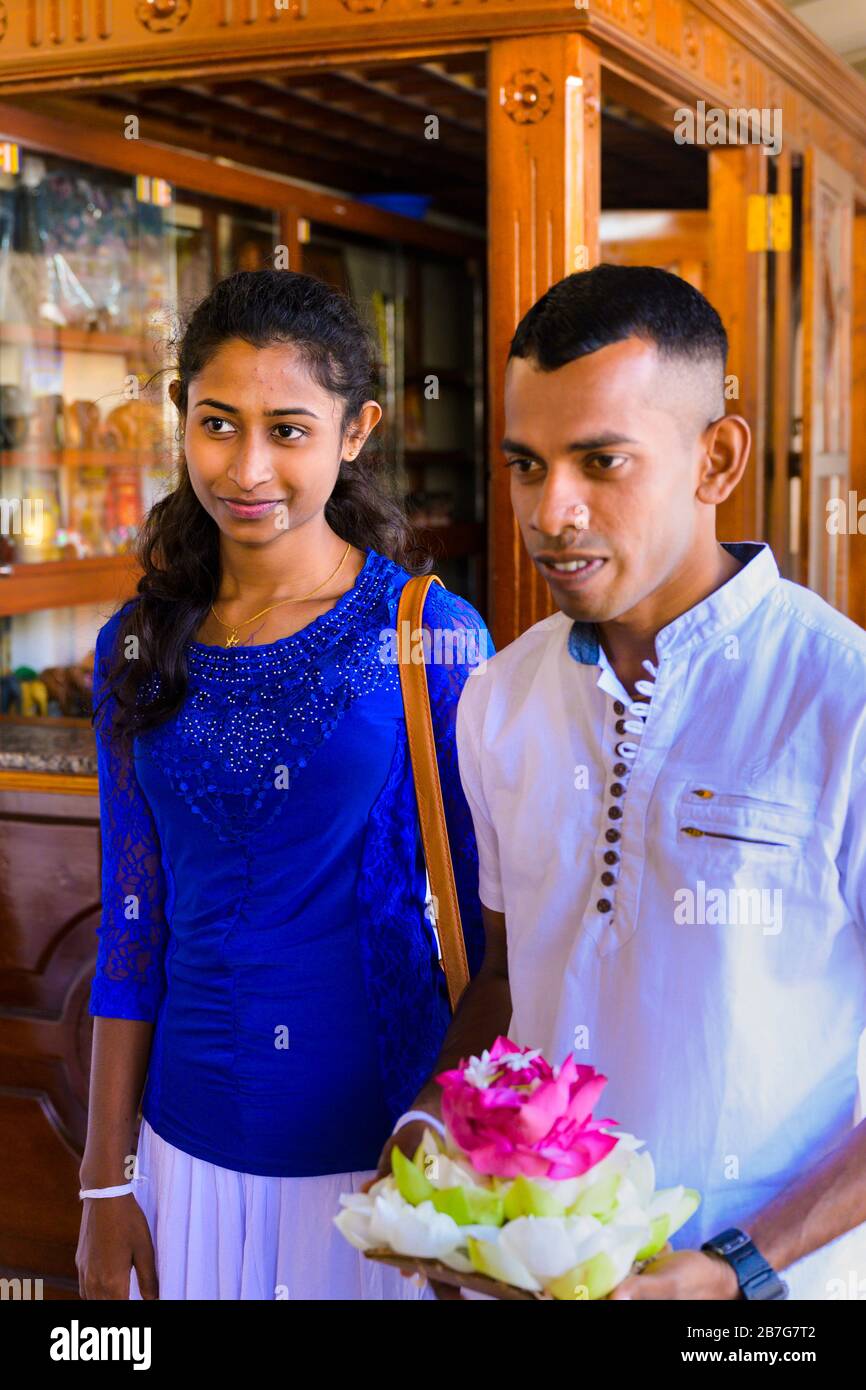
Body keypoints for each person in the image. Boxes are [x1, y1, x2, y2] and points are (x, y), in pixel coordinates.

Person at [386, 264, 866, 1301]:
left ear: (714, 459)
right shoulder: (501, 697)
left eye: (599, 460)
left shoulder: (842, 702)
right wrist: (434, 1127)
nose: (551, 508)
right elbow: (514, 979)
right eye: (524, 464)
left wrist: (732, 1270)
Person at [77, 268, 491, 1301]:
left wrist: (454, 1162)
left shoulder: (428, 636)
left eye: (289, 430)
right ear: (180, 419)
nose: (247, 466)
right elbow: (133, 925)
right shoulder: (133, 641)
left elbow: (491, 936)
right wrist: (101, 1182)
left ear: (355, 433)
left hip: (381, 1167)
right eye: (218, 423)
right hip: (182, 1145)